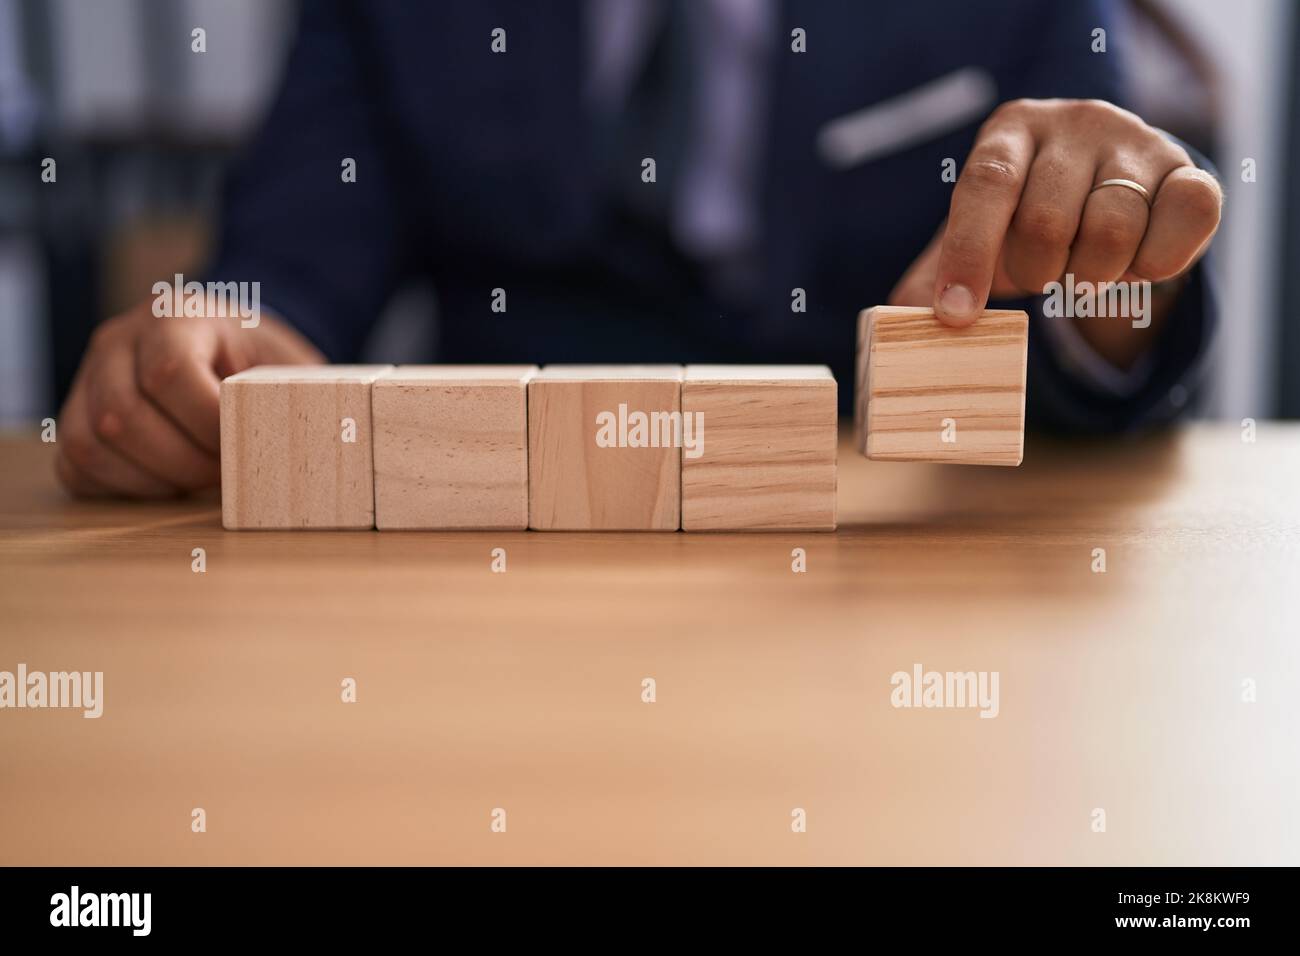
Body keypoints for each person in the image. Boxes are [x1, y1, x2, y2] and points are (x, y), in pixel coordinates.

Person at [54, 0, 1223, 498]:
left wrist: (1106, 283)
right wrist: (203, 341)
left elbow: (1081, 290)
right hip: (496, 549)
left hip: (877, 547)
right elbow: (289, 266)